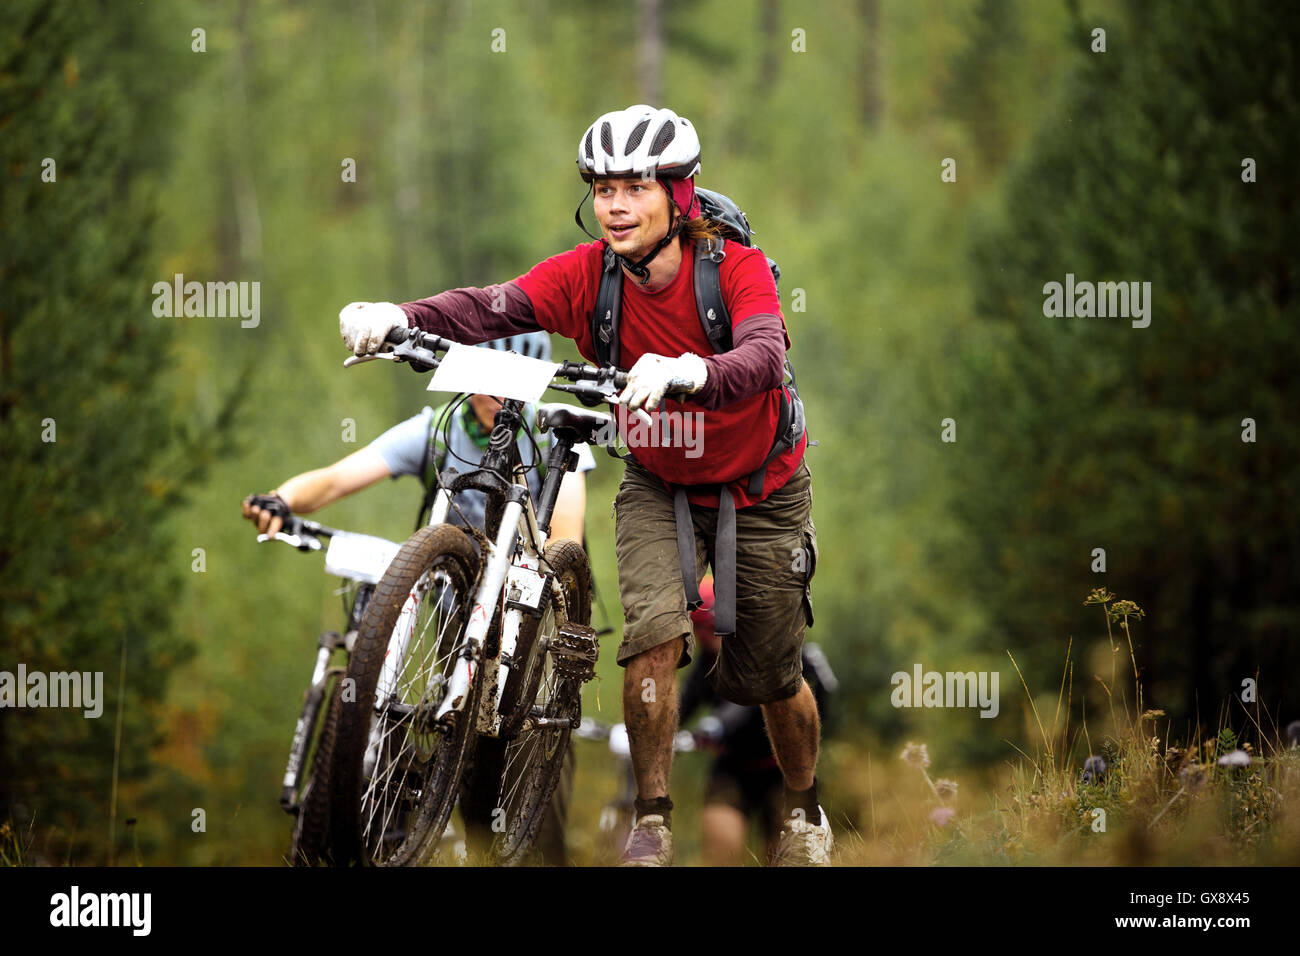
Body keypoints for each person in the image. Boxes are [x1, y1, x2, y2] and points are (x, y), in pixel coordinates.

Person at [338, 104, 830, 866]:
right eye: (602, 189)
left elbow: (764, 354)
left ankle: (803, 806)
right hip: (659, 484)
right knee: (650, 642)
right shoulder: (590, 277)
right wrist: (396, 316)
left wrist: (693, 368)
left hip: (762, 488)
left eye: (635, 186)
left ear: (680, 195)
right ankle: (654, 818)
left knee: (769, 677)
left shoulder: (734, 270)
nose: (615, 205)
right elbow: (491, 306)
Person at [242, 332, 594, 865]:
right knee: (417, 743)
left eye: (509, 382)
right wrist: (281, 498)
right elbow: (339, 478)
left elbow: (564, 538)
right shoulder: (439, 429)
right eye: (484, 378)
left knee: (527, 809)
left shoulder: (555, 436)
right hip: (456, 633)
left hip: (528, 644)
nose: (493, 396)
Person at [678, 578, 836, 865]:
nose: (703, 636)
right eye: (697, 628)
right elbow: (680, 707)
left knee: (783, 857)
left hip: (781, 772)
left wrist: (719, 724)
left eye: (709, 627)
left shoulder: (765, 649)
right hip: (731, 768)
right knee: (719, 853)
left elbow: (753, 701)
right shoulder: (704, 664)